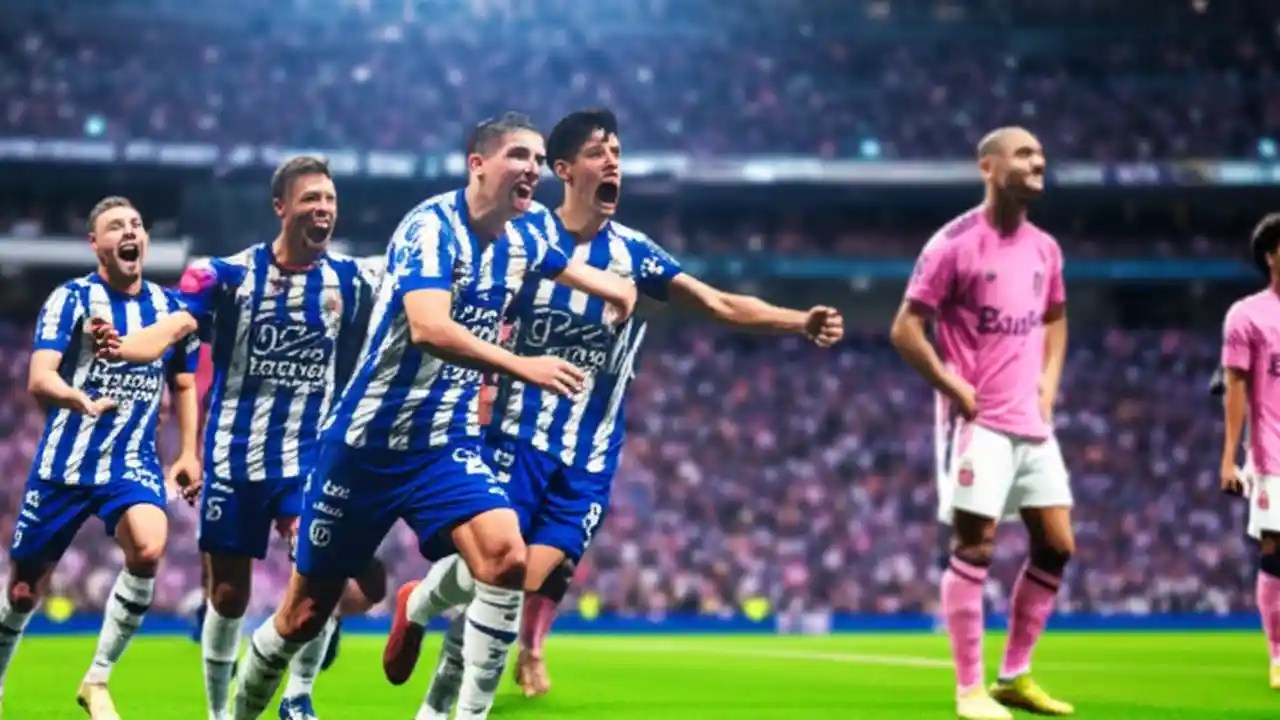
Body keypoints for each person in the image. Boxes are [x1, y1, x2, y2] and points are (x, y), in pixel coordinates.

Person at [384, 108, 844, 717]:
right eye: (601, 152)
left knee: (512, 584)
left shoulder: (635, 253)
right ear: (565, 169)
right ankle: (441, 709)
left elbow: (717, 303)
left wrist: (796, 320)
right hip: (514, 439)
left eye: (619, 153)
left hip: (589, 458)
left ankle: (418, 601)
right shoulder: (525, 240)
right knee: (496, 573)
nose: (614, 163)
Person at [229, 112, 637, 720]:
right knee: (304, 613)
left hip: (444, 444)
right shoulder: (430, 227)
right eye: (516, 156)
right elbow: (429, 327)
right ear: (478, 165)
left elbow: (566, 265)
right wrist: (523, 365)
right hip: (365, 445)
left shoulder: (525, 235)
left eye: (534, 159)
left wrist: (617, 290)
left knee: (506, 556)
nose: (530, 168)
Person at [93, 156, 386, 720]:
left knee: (321, 577)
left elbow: (413, 304)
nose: (323, 209)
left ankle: (298, 698)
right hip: (233, 458)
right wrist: (131, 348)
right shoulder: (224, 276)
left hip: (307, 461)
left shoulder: (352, 280)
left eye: (329, 199)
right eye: (311, 199)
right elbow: (179, 325)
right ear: (281, 207)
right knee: (228, 598)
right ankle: (218, 712)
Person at [889, 126, 1074, 720]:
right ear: (989, 167)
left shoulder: (1046, 248)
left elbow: (1055, 319)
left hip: (1031, 421)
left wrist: (1049, 381)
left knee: (1056, 545)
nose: (1038, 161)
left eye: (1041, 154)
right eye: (1024, 154)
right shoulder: (952, 244)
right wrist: (950, 383)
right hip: (980, 420)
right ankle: (969, 690)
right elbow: (904, 328)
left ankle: (1014, 676)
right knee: (977, 545)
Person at [0, 196, 201, 720]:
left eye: (137, 223)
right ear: (96, 243)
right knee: (23, 592)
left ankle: (98, 678)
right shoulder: (70, 300)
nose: (130, 231)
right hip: (63, 465)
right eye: (116, 226)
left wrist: (188, 452)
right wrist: (77, 397)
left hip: (129, 461)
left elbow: (183, 382)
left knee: (150, 546)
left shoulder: (168, 308)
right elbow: (39, 377)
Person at [1219, 213, 1280, 690]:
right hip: (1271, 455)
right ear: (1272, 254)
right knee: (1275, 551)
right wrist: (1229, 457)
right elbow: (1235, 388)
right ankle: (1278, 655)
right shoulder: (1247, 314)